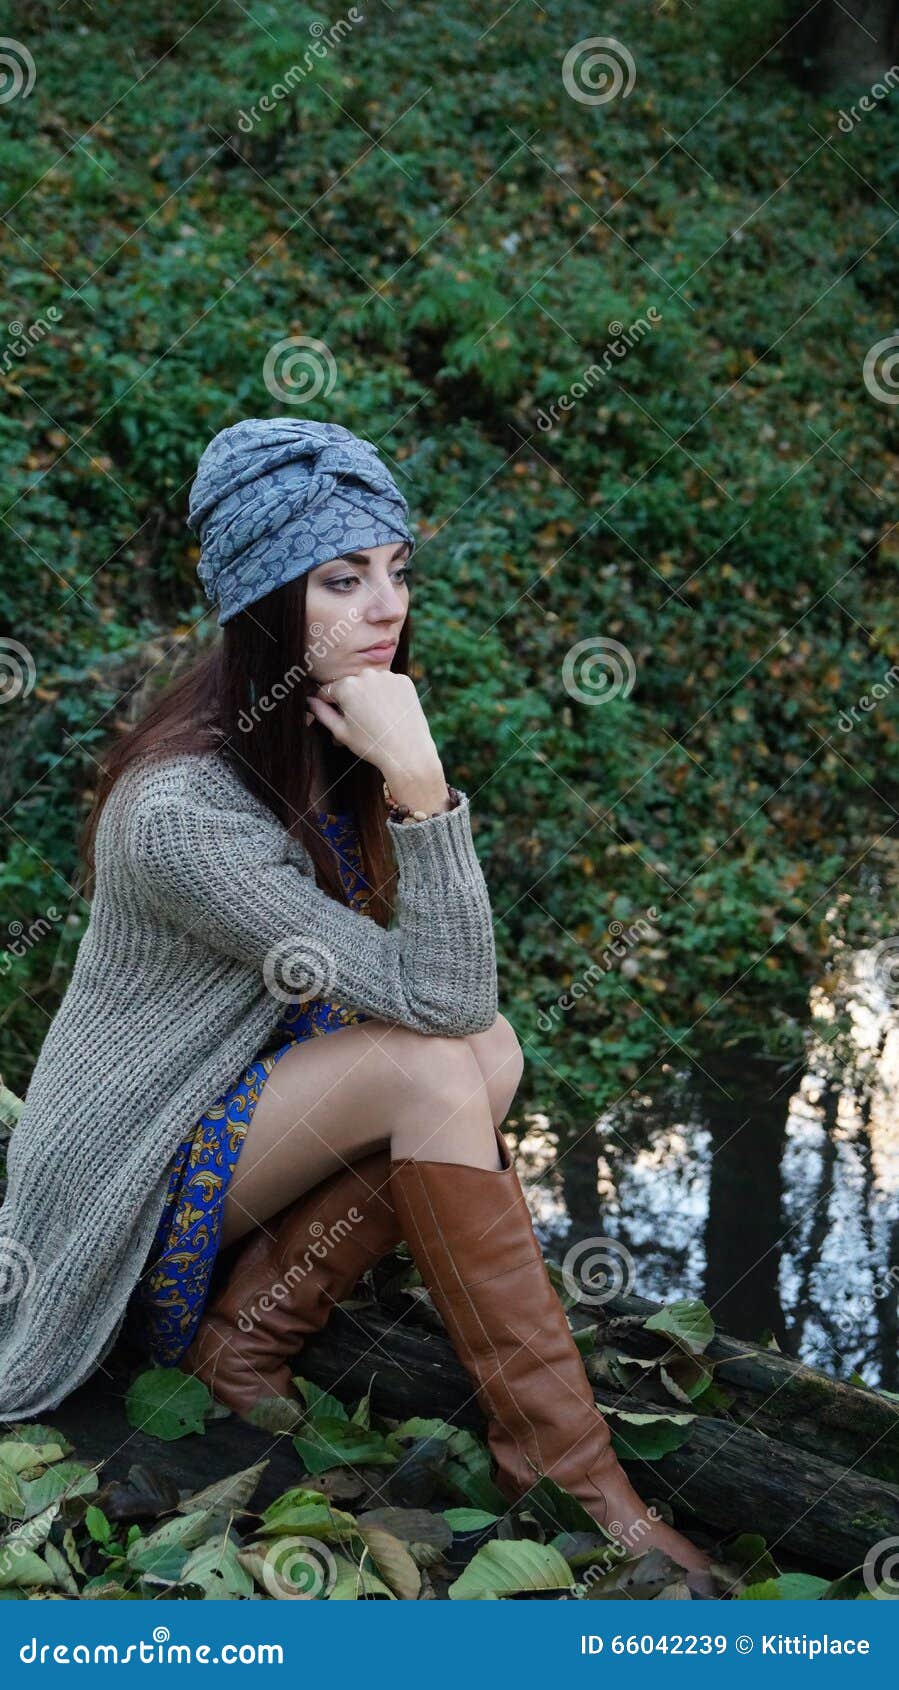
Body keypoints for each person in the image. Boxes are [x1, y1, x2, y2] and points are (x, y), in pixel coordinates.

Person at [0, 418, 714, 1596]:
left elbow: (452, 1004)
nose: (385, 606)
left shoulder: (308, 734)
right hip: (114, 1184)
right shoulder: (187, 811)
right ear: (266, 600)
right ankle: (581, 1486)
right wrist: (424, 789)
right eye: (342, 579)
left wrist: (395, 777)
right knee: (447, 1056)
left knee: (489, 1049)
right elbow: (436, 990)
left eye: (396, 569)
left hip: (220, 1113)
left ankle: (248, 1340)